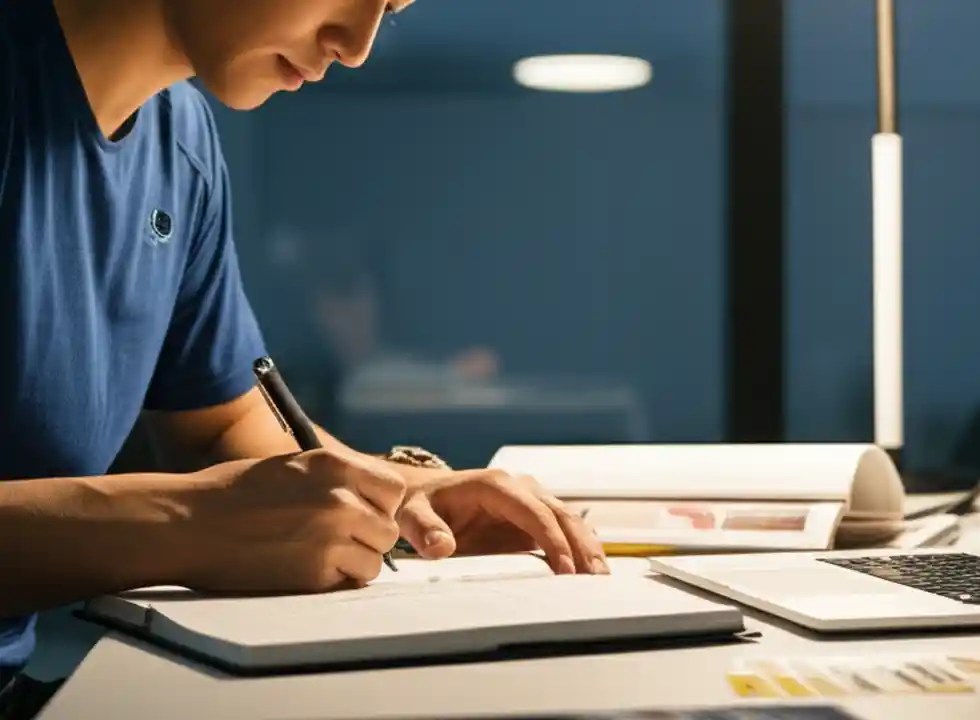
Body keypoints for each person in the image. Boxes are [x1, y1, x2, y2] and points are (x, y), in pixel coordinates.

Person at [0, 0, 609, 700]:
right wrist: (185, 526)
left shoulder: (179, 142)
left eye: (391, 7)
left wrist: (401, 495)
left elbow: (224, 423)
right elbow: (207, 495)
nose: (356, 44)